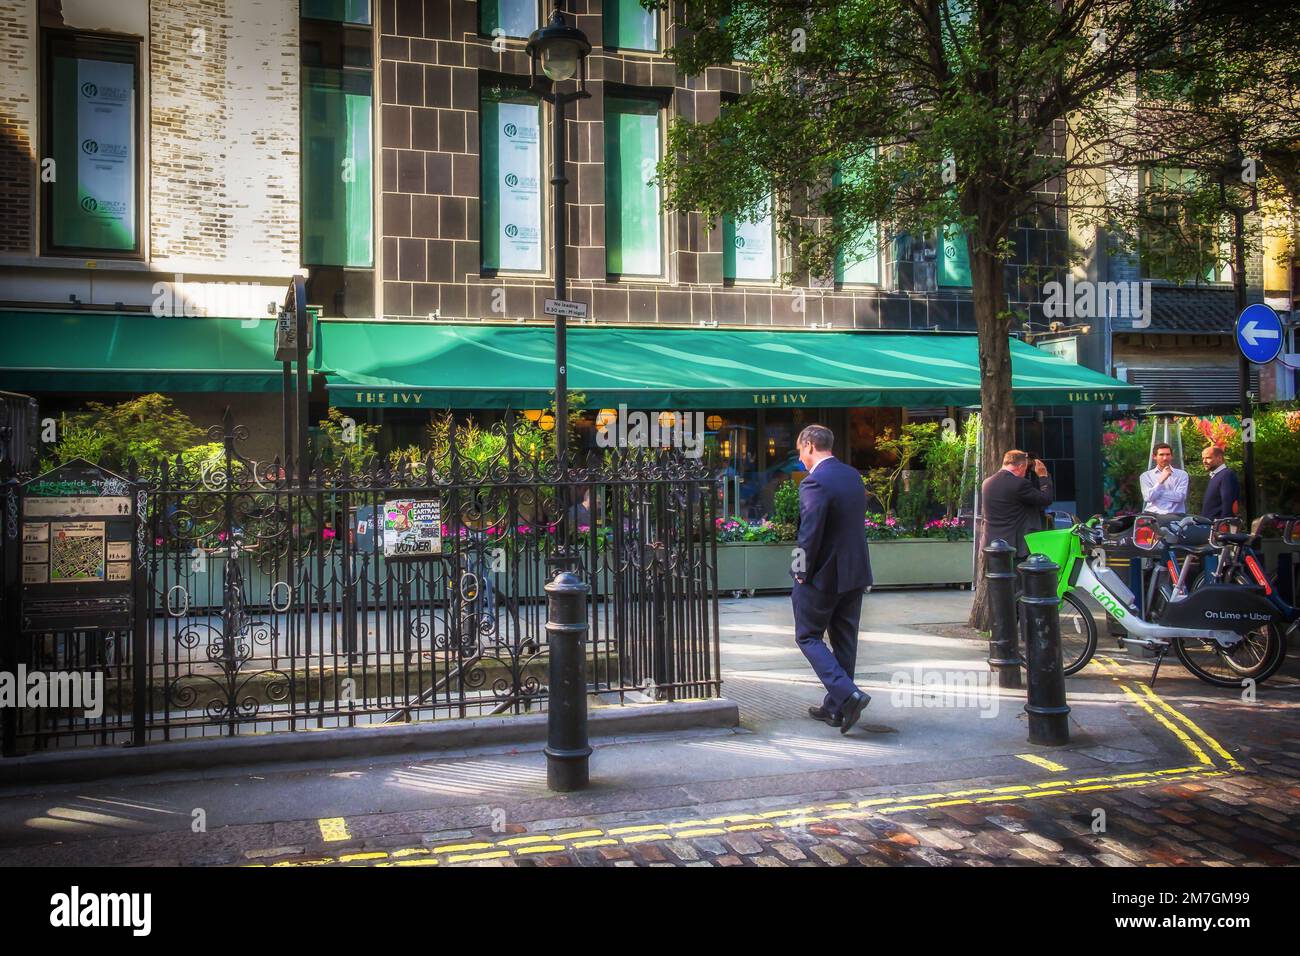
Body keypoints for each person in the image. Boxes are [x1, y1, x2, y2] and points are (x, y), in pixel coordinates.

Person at [789, 424, 873, 735]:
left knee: (807, 636)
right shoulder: (852, 475)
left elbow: (808, 534)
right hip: (855, 572)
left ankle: (848, 695)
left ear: (809, 445)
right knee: (845, 639)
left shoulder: (814, 483)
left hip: (822, 576)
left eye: (800, 451)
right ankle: (836, 707)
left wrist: (799, 570)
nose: (801, 458)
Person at [980, 450, 1054, 558]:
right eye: (1025, 469)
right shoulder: (1019, 484)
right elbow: (1046, 499)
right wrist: (1043, 476)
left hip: (992, 545)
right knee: (1018, 574)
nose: (1025, 473)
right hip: (1014, 547)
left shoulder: (987, 482)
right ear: (1020, 466)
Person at [1139, 442, 1189, 515]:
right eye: (1161, 455)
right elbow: (1148, 498)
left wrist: (1157, 494)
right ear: (1154, 456)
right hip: (1152, 516)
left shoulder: (1182, 474)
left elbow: (1180, 497)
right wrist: (1160, 481)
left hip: (1176, 517)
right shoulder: (1146, 476)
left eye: (1168, 454)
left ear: (1172, 456)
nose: (1165, 458)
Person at [1199, 445, 1241, 520]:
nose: (1204, 461)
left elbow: (1228, 503)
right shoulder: (1215, 475)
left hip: (1218, 526)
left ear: (1219, 458)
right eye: (1203, 458)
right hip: (1209, 525)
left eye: (1208, 458)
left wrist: (1224, 525)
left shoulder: (1227, 475)